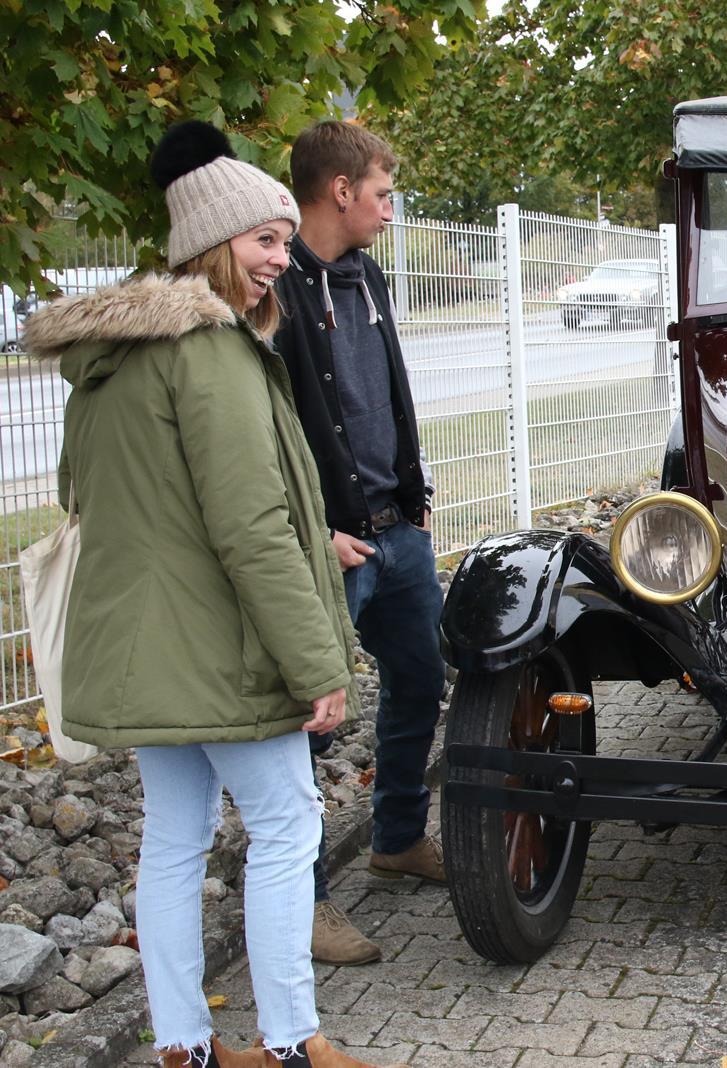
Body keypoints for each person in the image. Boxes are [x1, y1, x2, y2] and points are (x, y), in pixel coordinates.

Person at [25, 121, 396, 1068]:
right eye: (263, 240)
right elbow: (245, 527)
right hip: (222, 646)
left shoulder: (108, 364)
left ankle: (183, 1049)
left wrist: (312, 532)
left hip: (150, 647)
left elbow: (117, 501)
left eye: (282, 236)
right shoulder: (213, 352)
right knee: (286, 825)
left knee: (174, 842)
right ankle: (290, 1043)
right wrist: (318, 661)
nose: (281, 258)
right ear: (209, 245)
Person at [273, 120, 445, 965]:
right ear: (341, 190)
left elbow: (392, 395)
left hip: (398, 536)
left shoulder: (368, 277)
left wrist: (413, 501)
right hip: (333, 549)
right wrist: (317, 531)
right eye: (382, 191)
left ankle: (398, 838)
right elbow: (270, 438)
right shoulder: (278, 292)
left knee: (420, 683)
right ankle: (303, 906)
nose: (389, 206)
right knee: (308, 728)